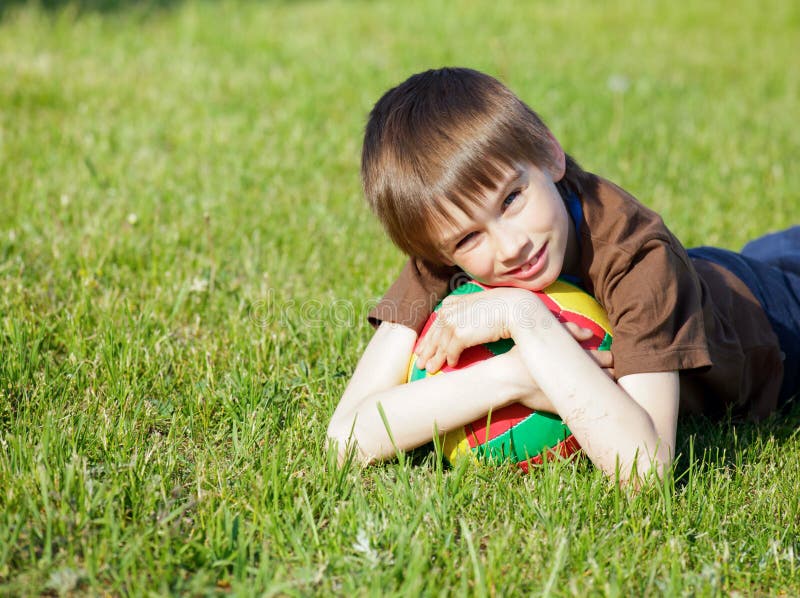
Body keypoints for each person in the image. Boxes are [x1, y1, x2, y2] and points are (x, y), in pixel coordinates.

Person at [326, 67, 800, 482]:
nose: (511, 246)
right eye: (469, 238)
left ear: (550, 155)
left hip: (773, 316)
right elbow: (345, 440)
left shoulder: (637, 257)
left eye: (512, 199)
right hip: (708, 275)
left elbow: (644, 469)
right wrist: (515, 376)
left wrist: (521, 313)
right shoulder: (445, 242)